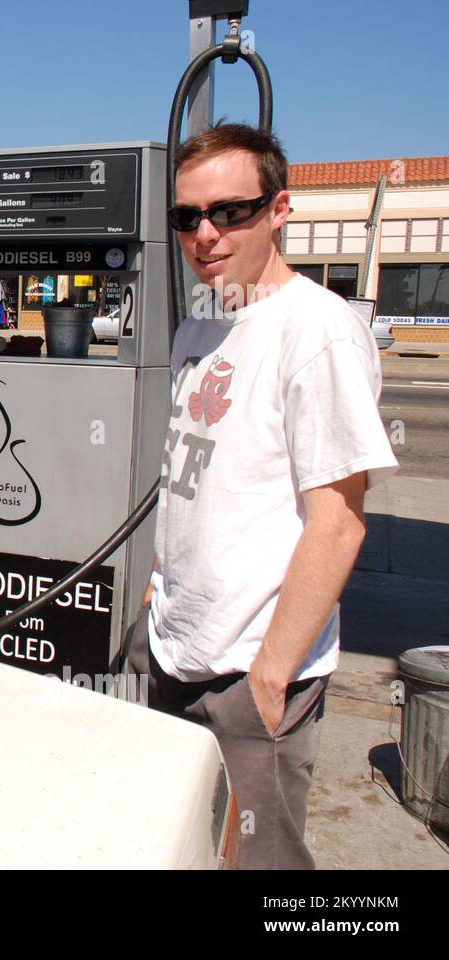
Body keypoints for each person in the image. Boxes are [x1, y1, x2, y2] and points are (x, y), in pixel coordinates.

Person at [126, 123, 398, 870]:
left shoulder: (318, 331)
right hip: (172, 648)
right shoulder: (201, 323)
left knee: (261, 865)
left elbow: (338, 524)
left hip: (250, 671)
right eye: (187, 217)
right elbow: (198, 479)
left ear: (279, 209)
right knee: (176, 845)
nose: (206, 233)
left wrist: (271, 675)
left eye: (230, 212)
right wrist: (156, 596)